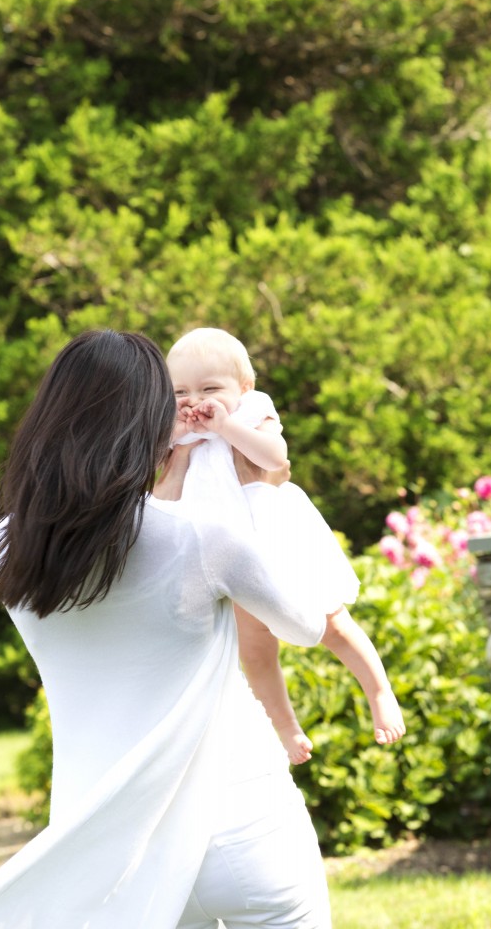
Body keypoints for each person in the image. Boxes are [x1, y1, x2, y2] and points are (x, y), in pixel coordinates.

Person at [0, 329, 336, 929]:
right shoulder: (203, 537)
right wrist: (266, 497)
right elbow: (305, 624)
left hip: (112, 858)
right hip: (241, 828)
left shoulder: (6, 545)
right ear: (150, 421)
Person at [166, 327, 405, 765]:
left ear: (244, 388)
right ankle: (285, 725)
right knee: (254, 648)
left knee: (332, 623)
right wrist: (176, 449)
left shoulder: (252, 412)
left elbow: (275, 459)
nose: (195, 399)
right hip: (228, 554)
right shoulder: (174, 432)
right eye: (180, 390)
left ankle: (379, 690)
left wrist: (225, 425)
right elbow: (163, 498)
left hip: (277, 537)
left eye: (210, 388)